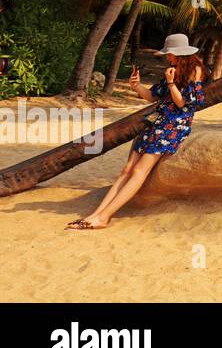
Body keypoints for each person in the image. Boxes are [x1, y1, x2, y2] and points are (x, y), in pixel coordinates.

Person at [66, 34, 206, 230]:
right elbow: (152, 97)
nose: (167, 57)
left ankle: (104, 217)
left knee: (140, 170)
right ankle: (96, 214)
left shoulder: (195, 70)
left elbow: (182, 102)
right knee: (127, 169)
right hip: (157, 121)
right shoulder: (171, 70)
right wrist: (137, 86)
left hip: (173, 125)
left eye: (170, 54)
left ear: (178, 54)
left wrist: (172, 83)